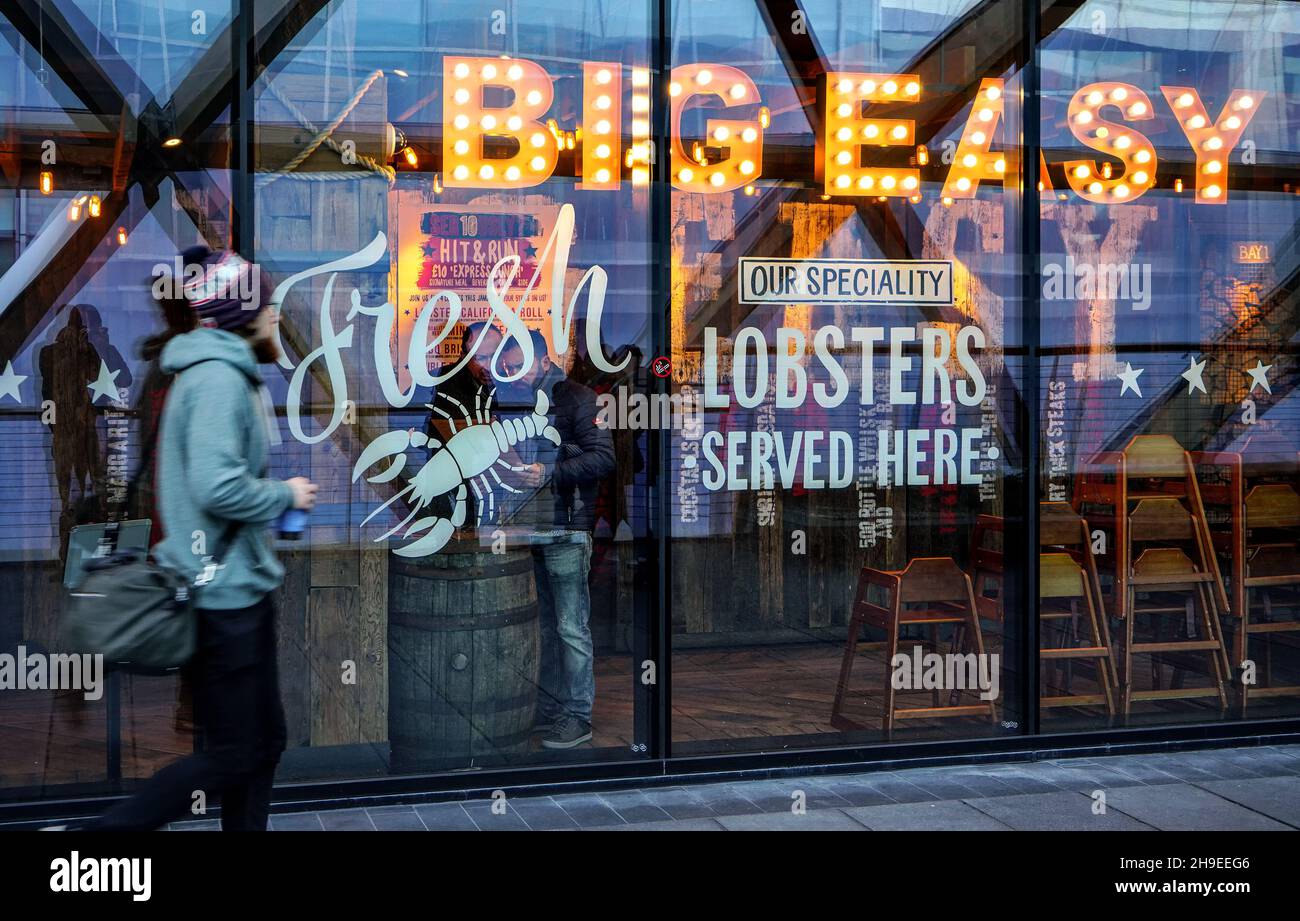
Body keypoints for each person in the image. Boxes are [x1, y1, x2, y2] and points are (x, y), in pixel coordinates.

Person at [77, 248, 318, 831]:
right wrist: (284, 495)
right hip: (223, 597)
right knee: (236, 752)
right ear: (246, 313)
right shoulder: (215, 379)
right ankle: (95, 840)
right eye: (267, 303)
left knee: (262, 745)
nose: (274, 314)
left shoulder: (224, 371)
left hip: (237, 590)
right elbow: (217, 488)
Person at [499, 329, 614, 750]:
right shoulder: (512, 397)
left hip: (566, 527)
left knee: (570, 627)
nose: (511, 373)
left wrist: (549, 472)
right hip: (529, 525)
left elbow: (604, 458)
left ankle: (578, 715)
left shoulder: (578, 397)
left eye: (518, 366)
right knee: (547, 627)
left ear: (544, 361)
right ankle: (550, 709)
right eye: (507, 367)